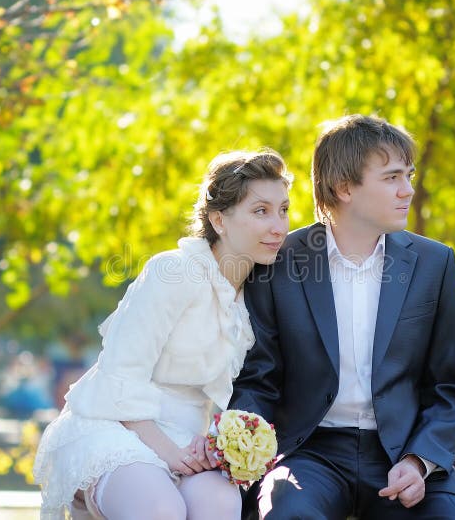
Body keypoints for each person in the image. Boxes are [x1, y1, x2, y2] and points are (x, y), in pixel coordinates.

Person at [230, 114, 455, 519]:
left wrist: (420, 461)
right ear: (344, 187)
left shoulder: (435, 263)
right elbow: (258, 380)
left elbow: (450, 387)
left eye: (409, 176)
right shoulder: (277, 262)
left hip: (404, 452)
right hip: (309, 454)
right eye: (392, 178)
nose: (408, 190)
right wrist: (243, 446)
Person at [33, 149, 292, 520]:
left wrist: (226, 445)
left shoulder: (261, 292)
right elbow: (118, 377)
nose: (278, 226)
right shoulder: (173, 272)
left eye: (283, 210)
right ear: (219, 219)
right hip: (116, 425)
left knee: (220, 505)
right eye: (261, 211)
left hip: (190, 437)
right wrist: (170, 453)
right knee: (160, 509)